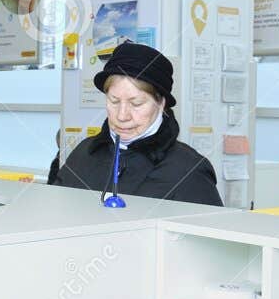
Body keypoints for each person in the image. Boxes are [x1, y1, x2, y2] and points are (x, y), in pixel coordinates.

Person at [54, 42, 221, 205]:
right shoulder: (83, 153)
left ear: (161, 103)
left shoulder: (189, 170)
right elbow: (56, 214)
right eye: (114, 101)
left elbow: (206, 232)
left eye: (137, 104)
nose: (122, 115)